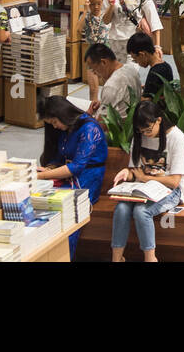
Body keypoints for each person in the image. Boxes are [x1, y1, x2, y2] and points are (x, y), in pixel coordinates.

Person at [110, 100, 184, 262]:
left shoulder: (176, 138)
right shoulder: (139, 137)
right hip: (143, 188)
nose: (145, 134)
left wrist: (145, 178)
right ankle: (117, 258)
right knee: (121, 209)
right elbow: (135, 172)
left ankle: (150, 258)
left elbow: (174, 181)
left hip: (170, 191)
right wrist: (127, 173)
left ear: (158, 120)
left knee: (141, 211)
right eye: (141, 131)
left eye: (148, 129)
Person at [36, 94, 108, 257]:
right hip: (68, 175)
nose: (54, 127)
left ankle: (64, 256)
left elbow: (76, 167)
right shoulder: (68, 127)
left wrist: (43, 176)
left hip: (88, 178)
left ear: (62, 114)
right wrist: (49, 168)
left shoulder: (89, 129)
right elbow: (59, 157)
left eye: (54, 122)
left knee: (68, 210)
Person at [83, 43, 143, 119]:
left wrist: (87, 116)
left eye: (94, 69)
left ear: (103, 62)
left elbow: (102, 125)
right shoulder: (131, 69)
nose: (95, 73)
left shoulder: (111, 85)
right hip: (134, 121)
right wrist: (103, 103)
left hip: (120, 128)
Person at [128, 31, 175, 98]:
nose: (137, 62)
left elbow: (147, 100)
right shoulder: (166, 66)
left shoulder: (155, 73)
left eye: (135, 59)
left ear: (142, 55)